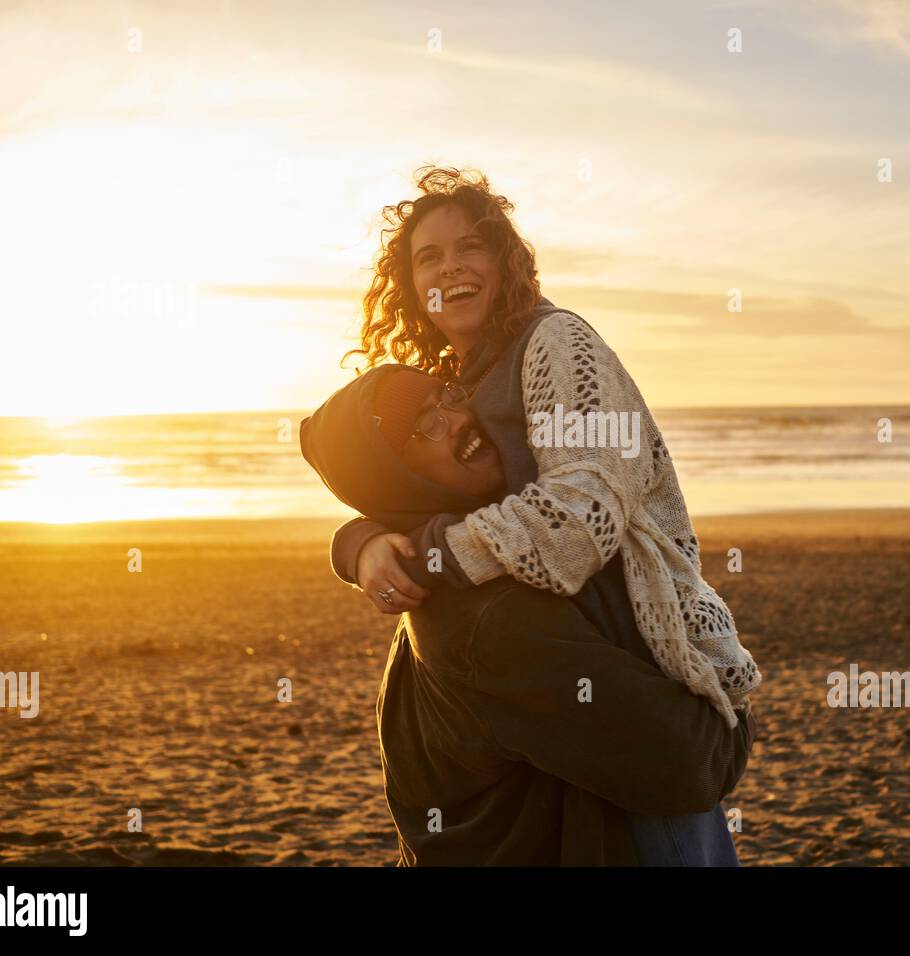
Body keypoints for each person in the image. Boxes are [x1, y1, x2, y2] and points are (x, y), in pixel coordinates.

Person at [324, 164, 762, 862]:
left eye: (472, 246)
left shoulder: (554, 343)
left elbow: (579, 517)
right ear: (409, 286)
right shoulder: (462, 381)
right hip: (579, 678)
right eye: (428, 257)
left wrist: (427, 553)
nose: (452, 267)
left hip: (651, 653)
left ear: (506, 260)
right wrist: (361, 540)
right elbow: (417, 488)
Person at [300, 365, 757, 865]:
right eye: (425, 425)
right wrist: (733, 711)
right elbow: (689, 764)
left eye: (448, 396)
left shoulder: (467, 559)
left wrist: (355, 541)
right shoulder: (491, 615)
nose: (457, 419)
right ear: (394, 479)